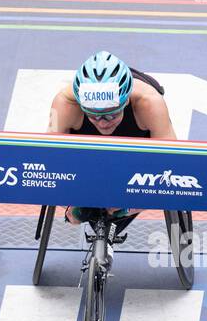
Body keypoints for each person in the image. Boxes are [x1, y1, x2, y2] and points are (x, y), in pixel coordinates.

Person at [48, 50, 177, 227]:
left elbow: (170, 167)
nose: (102, 123)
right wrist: (74, 203)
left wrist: (130, 203)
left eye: (111, 115)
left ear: (125, 102)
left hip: (138, 152)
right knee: (79, 214)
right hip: (88, 153)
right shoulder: (65, 104)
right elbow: (50, 166)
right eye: (93, 116)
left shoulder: (149, 103)